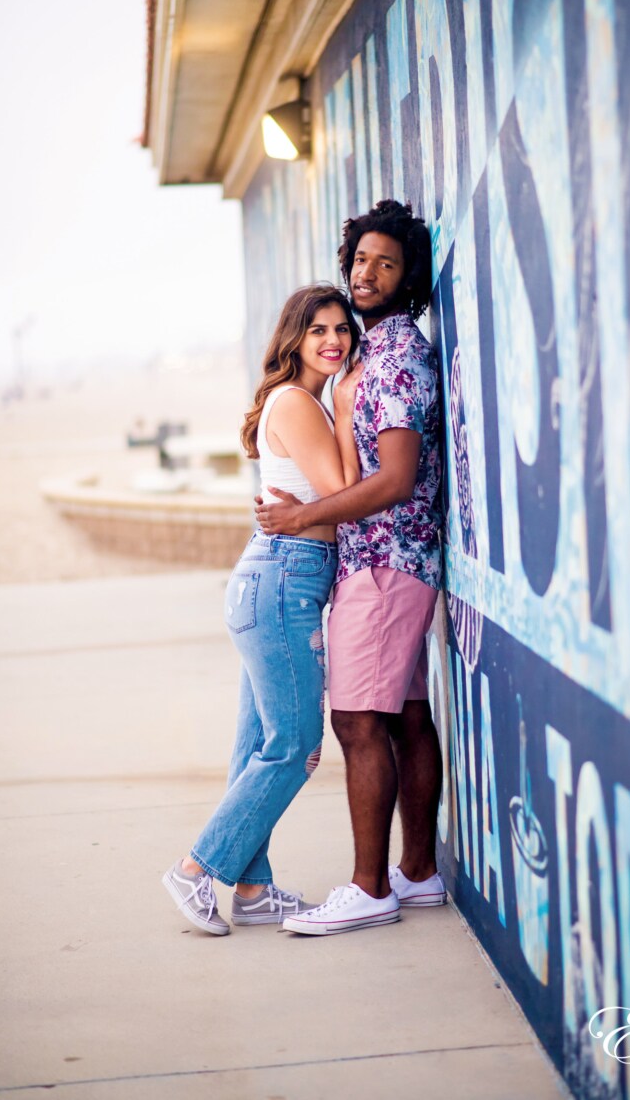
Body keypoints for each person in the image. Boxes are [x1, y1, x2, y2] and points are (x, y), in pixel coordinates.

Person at [255, 199, 446, 936]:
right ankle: (418, 874)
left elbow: (394, 479)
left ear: (408, 278)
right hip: (389, 560)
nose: (367, 274)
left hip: (385, 560)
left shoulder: (394, 361)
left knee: (357, 721)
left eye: (385, 264)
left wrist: (303, 517)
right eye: (361, 259)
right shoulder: (376, 354)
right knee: (405, 716)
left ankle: (370, 888)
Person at [162, 284, 362, 935]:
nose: (333, 341)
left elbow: (325, 496)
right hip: (283, 583)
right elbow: (344, 490)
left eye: (342, 329)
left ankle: (251, 888)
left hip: (274, 581)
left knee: (258, 746)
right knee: (296, 745)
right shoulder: (300, 402)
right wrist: (349, 408)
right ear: (294, 339)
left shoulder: (300, 400)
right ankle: (195, 869)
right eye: (318, 330)